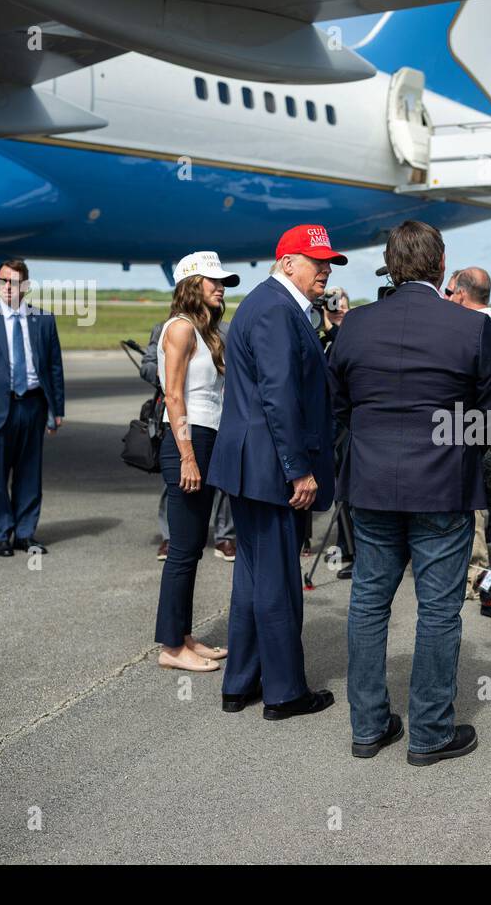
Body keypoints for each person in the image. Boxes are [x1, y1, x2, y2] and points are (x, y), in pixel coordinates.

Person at [331, 220, 491, 766]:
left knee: (367, 606)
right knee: (437, 611)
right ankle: (429, 733)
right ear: (440, 263)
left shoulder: (354, 326)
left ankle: (368, 726)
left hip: (372, 487)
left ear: (389, 262)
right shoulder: (471, 328)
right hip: (443, 489)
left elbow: (338, 409)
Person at [208, 224, 342, 720]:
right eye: (317, 261)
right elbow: (278, 396)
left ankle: (239, 683)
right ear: (287, 263)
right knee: (279, 583)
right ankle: (284, 693)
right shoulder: (274, 309)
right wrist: (298, 470)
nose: (325, 270)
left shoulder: (274, 305)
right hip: (269, 467)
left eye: (329, 263)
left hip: (255, 464)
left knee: (253, 577)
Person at [153, 252, 237, 673]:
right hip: (187, 440)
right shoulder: (182, 328)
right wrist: (187, 456)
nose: (221, 287)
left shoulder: (206, 332)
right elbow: (173, 395)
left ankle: (183, 636)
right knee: (184, 550)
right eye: (213, 281)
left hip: (205, 439)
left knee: (191, 548)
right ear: (191, 284)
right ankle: (171, 647)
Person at [0, 259, 65, 556]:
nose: (6, 287)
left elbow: (54, 368)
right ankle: (1, 534)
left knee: (30, 474)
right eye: (2, 280)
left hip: (32, 405)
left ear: (26, 287)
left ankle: (26, 533)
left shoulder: (44, 320)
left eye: (13, 282)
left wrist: (57, 410)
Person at [141, 318, 236, 562]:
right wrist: (172, 372)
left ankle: (224, 536)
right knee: (178, 482)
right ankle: (170, 535)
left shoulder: (225, 329)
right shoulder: (170, 327)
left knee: (223, 482)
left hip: (219, 416)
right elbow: (148, 366)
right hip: (181, 417)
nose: (220, 290)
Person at [447, 266, 491, 598]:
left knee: (475, 503)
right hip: (468, 422)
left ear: (462, 292)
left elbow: (483, 382)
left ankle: (476, 573)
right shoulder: (482, 324)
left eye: (451, 290)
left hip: (473, 425)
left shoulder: (485, 327)